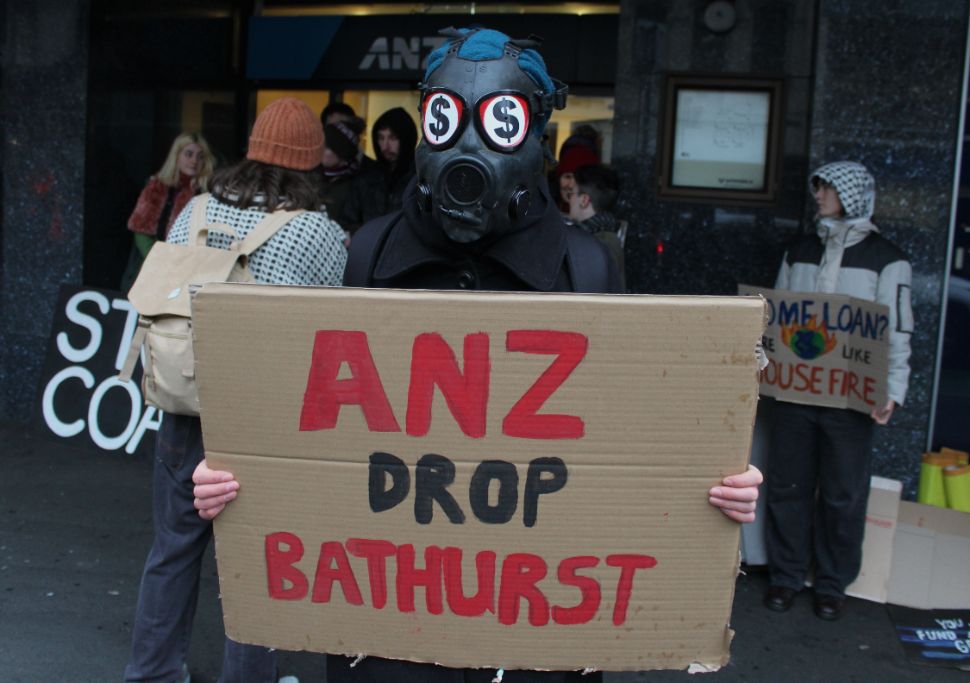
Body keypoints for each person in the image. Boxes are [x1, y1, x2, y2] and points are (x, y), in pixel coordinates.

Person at [192, 27, 762, 683]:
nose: (466, 148)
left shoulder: (586, 266)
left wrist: (710, 482)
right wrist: (243, 477)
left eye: (498, 122)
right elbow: (320, 428)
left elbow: (626, 434)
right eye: (447, 120)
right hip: (390, 638)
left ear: (535, 137)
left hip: (536, 631)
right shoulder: (369, 252)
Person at [124, 97, 347, 683]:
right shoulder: (317, 232)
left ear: (251, 149)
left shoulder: (195, 208)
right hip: (260, 423)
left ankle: (151, 673)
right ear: (309, 161)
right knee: (254, 567)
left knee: (172, 550)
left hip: (184, 407)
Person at [763, 161, 913, 621]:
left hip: (851, 396)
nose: (820, 195)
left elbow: (899, 329)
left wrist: (892, 390)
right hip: (798, 393)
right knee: (788, 486)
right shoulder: (800, 249)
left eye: (827, 188)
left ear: (852, 194)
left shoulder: (887, 258)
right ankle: (786, 577)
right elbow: (776, 315)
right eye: (819, 187)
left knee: (843, 494)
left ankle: (831, 584)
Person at [122, 132, 215, 290]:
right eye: (189, 154)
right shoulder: (157, 186)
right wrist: (162, 262)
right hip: (155, 270)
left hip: (193, 271)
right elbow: (141, 231)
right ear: (176, 155)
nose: (194, 161)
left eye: (200, 156)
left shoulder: (209, 192)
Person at [340, 106, 417, 235]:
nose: (385, 146)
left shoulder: (418, 180)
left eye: (393, 138)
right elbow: (348, 222)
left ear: (406, 139)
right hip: (369, 249)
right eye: (381, 138)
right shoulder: (366, 180)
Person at [567, 163, 626, 291]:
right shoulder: (604, 236)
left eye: (571, 194)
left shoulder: (601, 243)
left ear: (584, 200)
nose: (569, 200)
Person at [321, 116, 367, 234]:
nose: (320, 150)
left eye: (327, 147)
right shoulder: (313, 177)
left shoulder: (359, 185)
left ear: (342, 153)